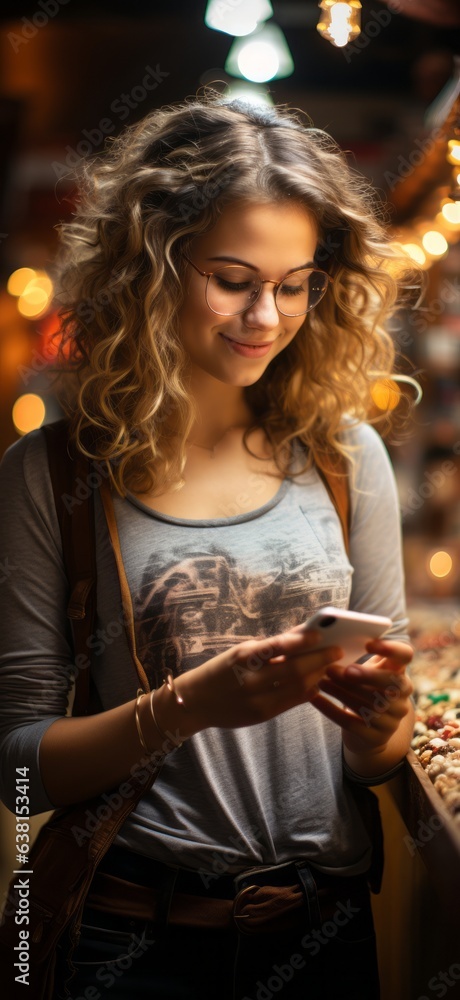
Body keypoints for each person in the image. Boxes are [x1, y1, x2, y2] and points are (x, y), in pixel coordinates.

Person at [0, 94, 416, 1000]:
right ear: (149, 266)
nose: (266, 315)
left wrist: (385, 734)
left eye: (295, 283)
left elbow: (379, 740)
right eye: (232, 277)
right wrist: (186, 705)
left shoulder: (348, 457)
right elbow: (20, 773)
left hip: (324, 929)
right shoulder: (53, 473)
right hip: (132, 940)